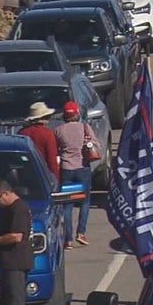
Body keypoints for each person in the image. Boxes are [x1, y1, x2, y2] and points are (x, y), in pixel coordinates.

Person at [55, 101, 98, 249]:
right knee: (84, 202)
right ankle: (81, 232)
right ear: (77, 114)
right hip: (83, 168)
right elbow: (96, 145)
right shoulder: (85, 127)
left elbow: (56, 150)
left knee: (68, 204)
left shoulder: (59, 130)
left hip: (67, 169)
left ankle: (68, 239)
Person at [19, 102, 59, 184]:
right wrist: (56, 179)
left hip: (26, 174)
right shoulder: (48, 134)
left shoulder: (22, 133)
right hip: (43, 174)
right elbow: (52, 160)